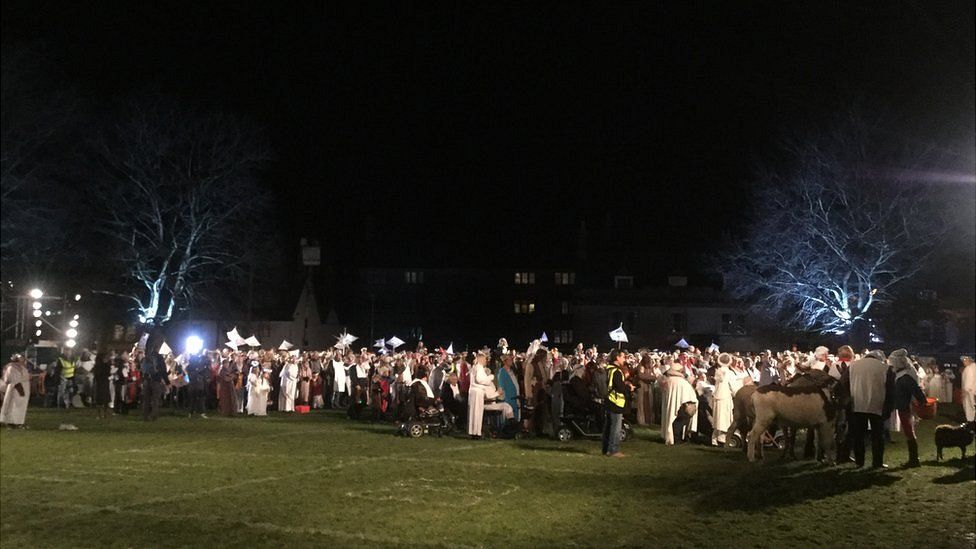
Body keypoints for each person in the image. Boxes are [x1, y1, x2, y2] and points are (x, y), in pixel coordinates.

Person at [843, 349, 893, 469]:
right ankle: (877, 462)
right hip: (877, 405)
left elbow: (843, 384)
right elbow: (891, 389)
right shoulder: (885, 368)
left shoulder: (853, 366)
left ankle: (859, 461)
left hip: (857, 405)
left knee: (858, 436)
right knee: (877, 436)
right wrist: (889, 407)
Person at [889, 349, 926, 468]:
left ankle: (914, 459)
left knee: (909, 433)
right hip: (903, 406)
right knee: (909, 432)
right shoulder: (903, 374)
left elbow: (916, 390)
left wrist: (922, 401)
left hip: (906, 407)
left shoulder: (905, 376)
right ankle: (913, 459)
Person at [661, 360, 698, 445]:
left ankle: (671, 437)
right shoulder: (681, 382)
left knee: (671, 419)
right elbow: (690, 395)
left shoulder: (667, 379)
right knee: (680, 420)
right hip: (682, 405)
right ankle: (677, 438)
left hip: (672, 404)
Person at [602, 349, 629, 457]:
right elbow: (620, 387)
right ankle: (614, 450)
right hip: (616, 401)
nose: (624, 359)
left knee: (608, 426)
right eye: (623, 357)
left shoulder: (608, 369)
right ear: (617, 357)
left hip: (609, 400)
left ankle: (606, 449)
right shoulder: (617, 371)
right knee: (616, 427)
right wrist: (628, 387)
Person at [711, 353, 734, 446]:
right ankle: (721, 439)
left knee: (717, 418)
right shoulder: (729, 373)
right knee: (723, 418)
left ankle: (714, 439)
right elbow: (733, 386)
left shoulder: (718, 371)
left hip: (718, 396)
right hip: (725, 397)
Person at [1, 355, 31, 428]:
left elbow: (26, 377)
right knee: (13, 405)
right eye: (21, 358)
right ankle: (12, 422)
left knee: (21, 406)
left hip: (24, 387)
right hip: (16, 388)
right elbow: (13, 379)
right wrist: (19, 389)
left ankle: (19, 422)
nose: (23, 359)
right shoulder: (11, 367)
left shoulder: (23, 368)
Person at [92, 351, 112, 420]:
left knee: (105, 399)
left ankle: (105, 413)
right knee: (100, 399)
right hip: (100, 383)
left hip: (105, 383)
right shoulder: (99, 366)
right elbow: (97, 375)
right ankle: (99, 414)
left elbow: (108, 373)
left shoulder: (107, 365)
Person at [961, 356, 976, 431]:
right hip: (973, 390)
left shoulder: (969, 368)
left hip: (969, 391)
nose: (963, 362)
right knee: (972, 406)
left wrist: (965, 391)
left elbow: (969, 380)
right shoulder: (973, 367)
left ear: (969, 360)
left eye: (964, 360)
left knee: (969, 406)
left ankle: (970, 423)